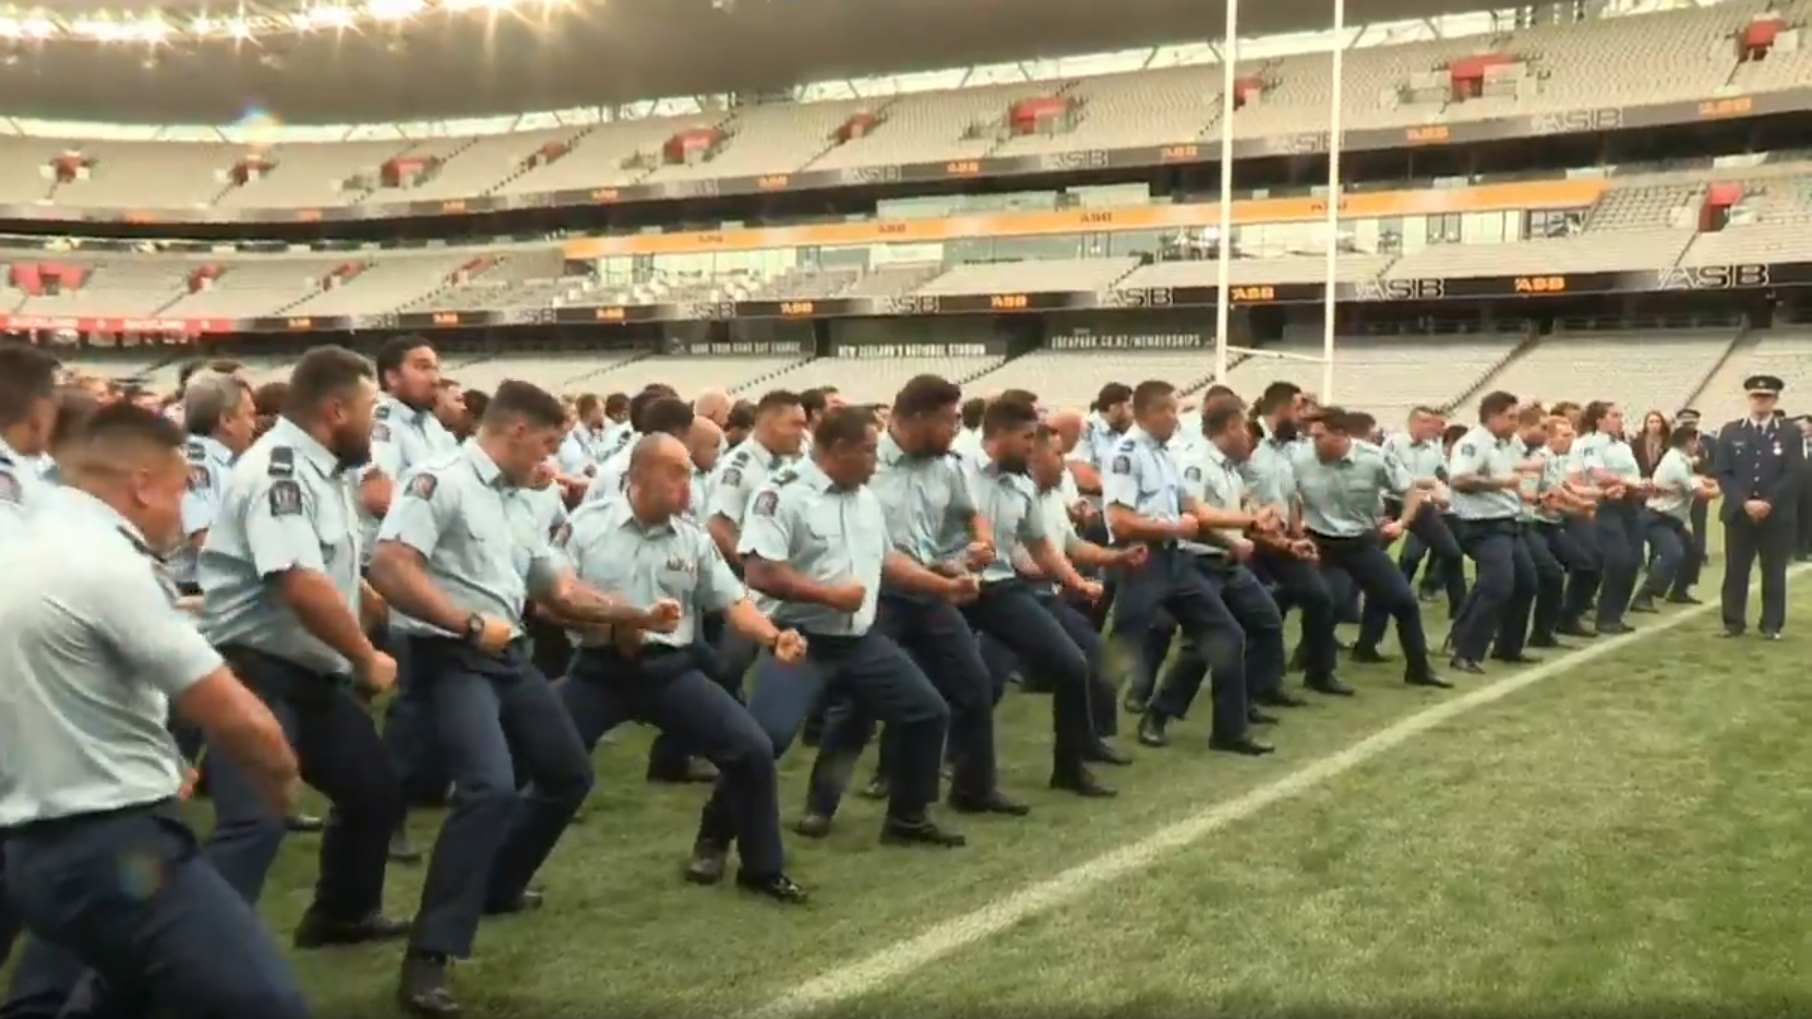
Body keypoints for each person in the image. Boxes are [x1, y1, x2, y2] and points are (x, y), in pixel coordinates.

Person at [368, 379, 670, 1017]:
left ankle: (498, 885)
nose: (550, 461)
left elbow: (559, 591)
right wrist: (466, 624)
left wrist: (636, 614)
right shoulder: (439, 479)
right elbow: (390, 566)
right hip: (450, 657)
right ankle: (430, 954)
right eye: (547, 446)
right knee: (489, 787)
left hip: (506, 655)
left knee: (567, 773)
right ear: (515, 432)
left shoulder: (525, 502)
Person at [0, 402, 311, 1019]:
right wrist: (282, 781)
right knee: (263, 1003)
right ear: (141, 485)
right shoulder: (108, 562)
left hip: (29, 846)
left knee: (129, 989)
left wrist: (164, 759)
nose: (183, 510)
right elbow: (234, 713)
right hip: (111, 841)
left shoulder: (23, 539)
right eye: (180, 490)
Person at [195, 346, 410, 943]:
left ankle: (341, 914)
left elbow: (321, 559)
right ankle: (180, 954)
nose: (376, 422)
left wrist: (366, 597)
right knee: (257, 821)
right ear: (336, 409)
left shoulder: (324, 467)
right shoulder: (280, 470)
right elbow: (296, 580)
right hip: (256, 675)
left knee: (372, 792)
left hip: (305, 674)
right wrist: (367, 655)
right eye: (371, 408)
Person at [554, 434, 810, 901]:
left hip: (668, 669)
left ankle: (760, 868)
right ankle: (501, 881)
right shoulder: (587, 527)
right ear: (637, 476)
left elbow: (733, 601)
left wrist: (774, 637)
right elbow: (552, 602)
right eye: (676, 473)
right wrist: (617, 619)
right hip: (598, 669)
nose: (687, 485)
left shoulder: (692, 537)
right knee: (545, 767)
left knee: (752, 750)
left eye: (690, 473)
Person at [737, 405, 965, 848]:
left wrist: (942, 587)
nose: (875, 461)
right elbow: (761, 572)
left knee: (927, 712)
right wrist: (829, 595)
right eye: (868, 450)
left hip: (859, 641)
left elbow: (889, 559)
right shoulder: (782, 494)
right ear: (838, 449)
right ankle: (714, 838)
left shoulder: (863, 498)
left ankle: (908, 818)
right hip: (800, 641)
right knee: (763, 741)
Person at [1105, 381, 1273, 756]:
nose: (1177, 421)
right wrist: (1174, 528)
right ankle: (1092, 733)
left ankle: (1229, 731)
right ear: (1149, 412)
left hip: (1176, 559)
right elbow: (1119, 522)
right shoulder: (1126, 453)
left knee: (1227, 635)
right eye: (1171, 411)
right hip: (1141, 558)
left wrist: (1237, 535)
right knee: (1124, 647)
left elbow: (1195, 511)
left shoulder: (1165, 455)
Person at [360, 335, 458, 865]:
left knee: (435, 692)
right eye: (422, 366)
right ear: (390, 377)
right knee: (412, 704)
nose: (435, 376)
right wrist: (448, 514)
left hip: (436, 571)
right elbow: (376, 495)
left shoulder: (431, 425)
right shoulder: (384, 423)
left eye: (436, 365)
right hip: (397, 571)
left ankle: (424, 786)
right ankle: (386, 819)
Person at [1291, 408, 1449, 689]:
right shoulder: (1300, 459)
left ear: (1340, 435)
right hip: (1320, 542)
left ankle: (1419, 669)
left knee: (1404, 602)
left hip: (1360, 542)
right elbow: (1289, 495)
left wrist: (1401, 523)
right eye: (1311, 436)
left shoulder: (1374, 459)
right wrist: (1295, 529)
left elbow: (1410, 491)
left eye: (1319, 436)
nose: (1312, 442)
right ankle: (1318, 673)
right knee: (1327, 604)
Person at [1445, 391, 1538, 673]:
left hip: (1506, 522)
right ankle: (1466, 652)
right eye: (1510, 417)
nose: (1515, 423)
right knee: (1498, 585)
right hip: (1481, 525)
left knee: (1526, 582)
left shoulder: (1504, 444)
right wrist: (1499, 482)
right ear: (1493, 416)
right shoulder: (1473, 443)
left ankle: (1507, 647)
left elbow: (1511, 473)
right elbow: (1460, 479)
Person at [1714, 374, 1802, 639]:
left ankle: (1772, 624)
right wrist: (1744, 502)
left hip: (1776, 515)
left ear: (1775, 400)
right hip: (1739, 514)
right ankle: (1733, 622)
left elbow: (1795, 472)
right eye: (1756, 396)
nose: (1760, 401)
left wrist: (1768, 502)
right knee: (1736, 570)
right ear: (1749, 398)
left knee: (1774, 571)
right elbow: (1722, 471)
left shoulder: (1789, 432)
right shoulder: (1731, 430)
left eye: (1766, 397)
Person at [1632, 424, 1714, 611]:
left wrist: (1708, 480)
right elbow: (1701, 492)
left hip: (1671, 519)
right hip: (1658, 518)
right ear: (1689, 442)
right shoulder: (1675, 463)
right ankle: (1644, 596)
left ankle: (1679, 591)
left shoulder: (1679, 458)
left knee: (1693, 552)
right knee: (1672, 553)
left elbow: (1694, 476)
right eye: (1697, 441)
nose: (1698, 445)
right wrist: (1722, 487)